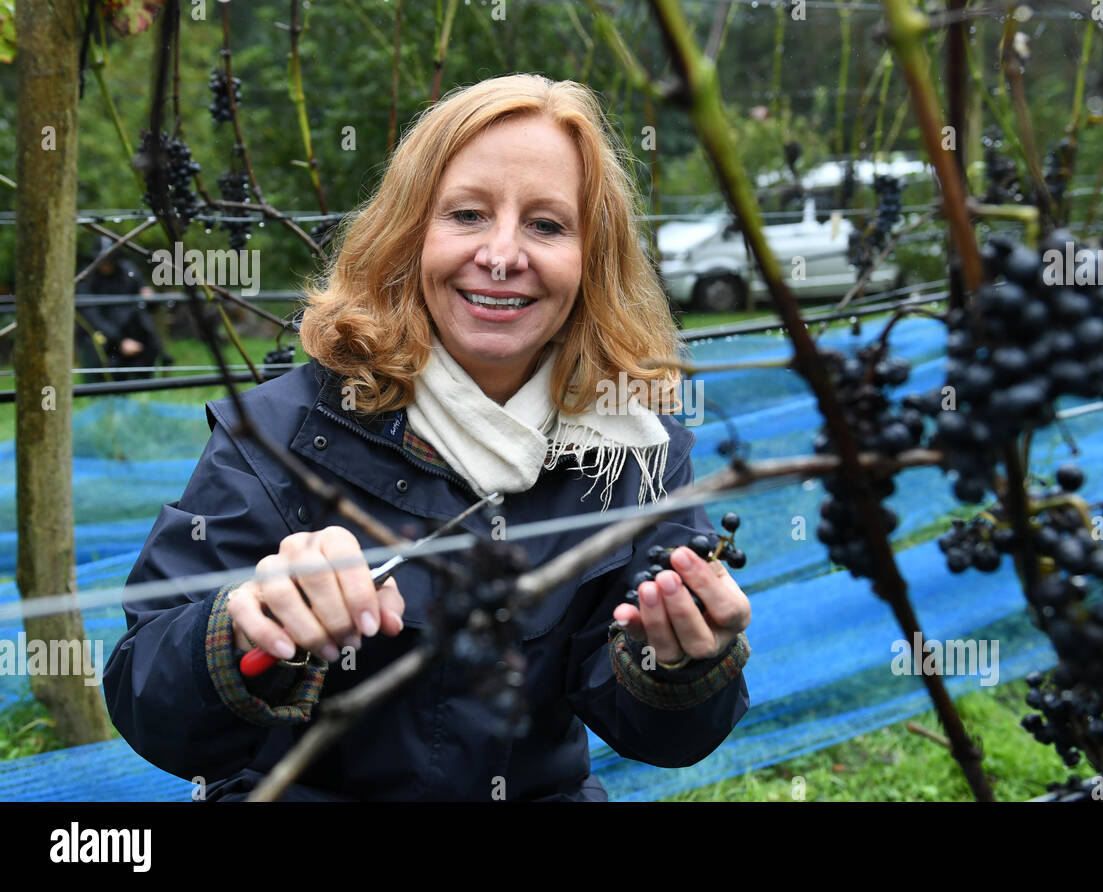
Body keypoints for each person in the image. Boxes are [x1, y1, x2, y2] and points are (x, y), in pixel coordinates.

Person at [103, 74, 753, 802]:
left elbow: (662, 734)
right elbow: (144, 698)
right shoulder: (283, 433)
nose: (503, 255)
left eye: (546, 225)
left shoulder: (634, 453)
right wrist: (242, 633)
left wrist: (687, 663)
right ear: (410, 233)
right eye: (468, 214)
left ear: (592, 258)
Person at [75, 240, 167, 382]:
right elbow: (90, 315)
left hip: (129, 329)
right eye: (101, 260)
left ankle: (144, 384)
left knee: (149, 342)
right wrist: (119, 341)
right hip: (102, 334)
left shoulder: (128, 271)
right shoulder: (86, 277)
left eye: (109, 261)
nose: (105, 265)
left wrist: (149, 297)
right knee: (99, 353)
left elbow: (147, 302)